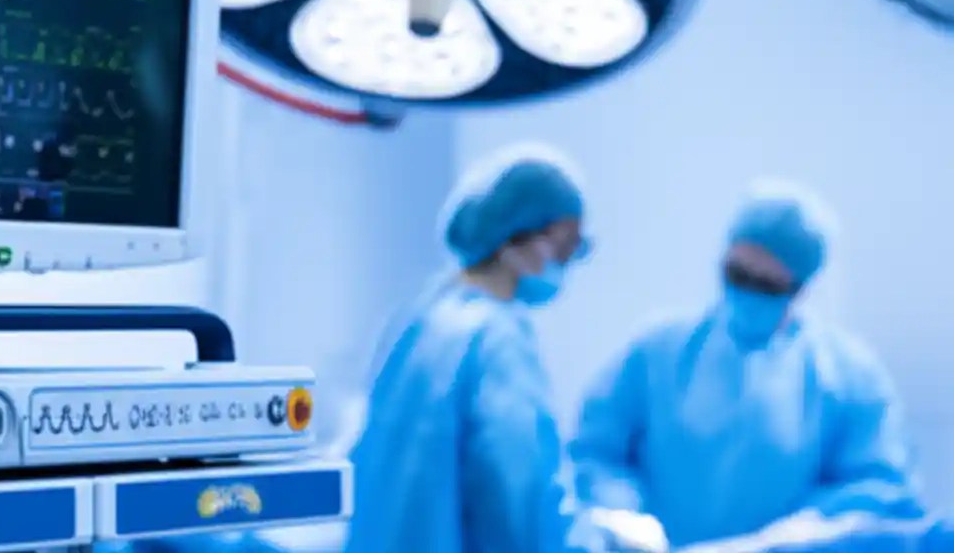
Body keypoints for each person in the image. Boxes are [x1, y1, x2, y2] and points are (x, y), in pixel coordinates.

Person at [569, 181, 924, 549]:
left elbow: (879, 483)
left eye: (767, 285)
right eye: (737, 275)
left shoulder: (849, 375)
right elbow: (595, 450)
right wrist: (625, 515)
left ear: (799, 288)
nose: (747, 291)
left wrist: (797, 534)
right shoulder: (656, 351)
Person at [345, 144, 598, 553]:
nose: (566, 262)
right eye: (566, 245)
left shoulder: (416, 319)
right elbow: (520, 493)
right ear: (515, 236)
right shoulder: (498, 340)